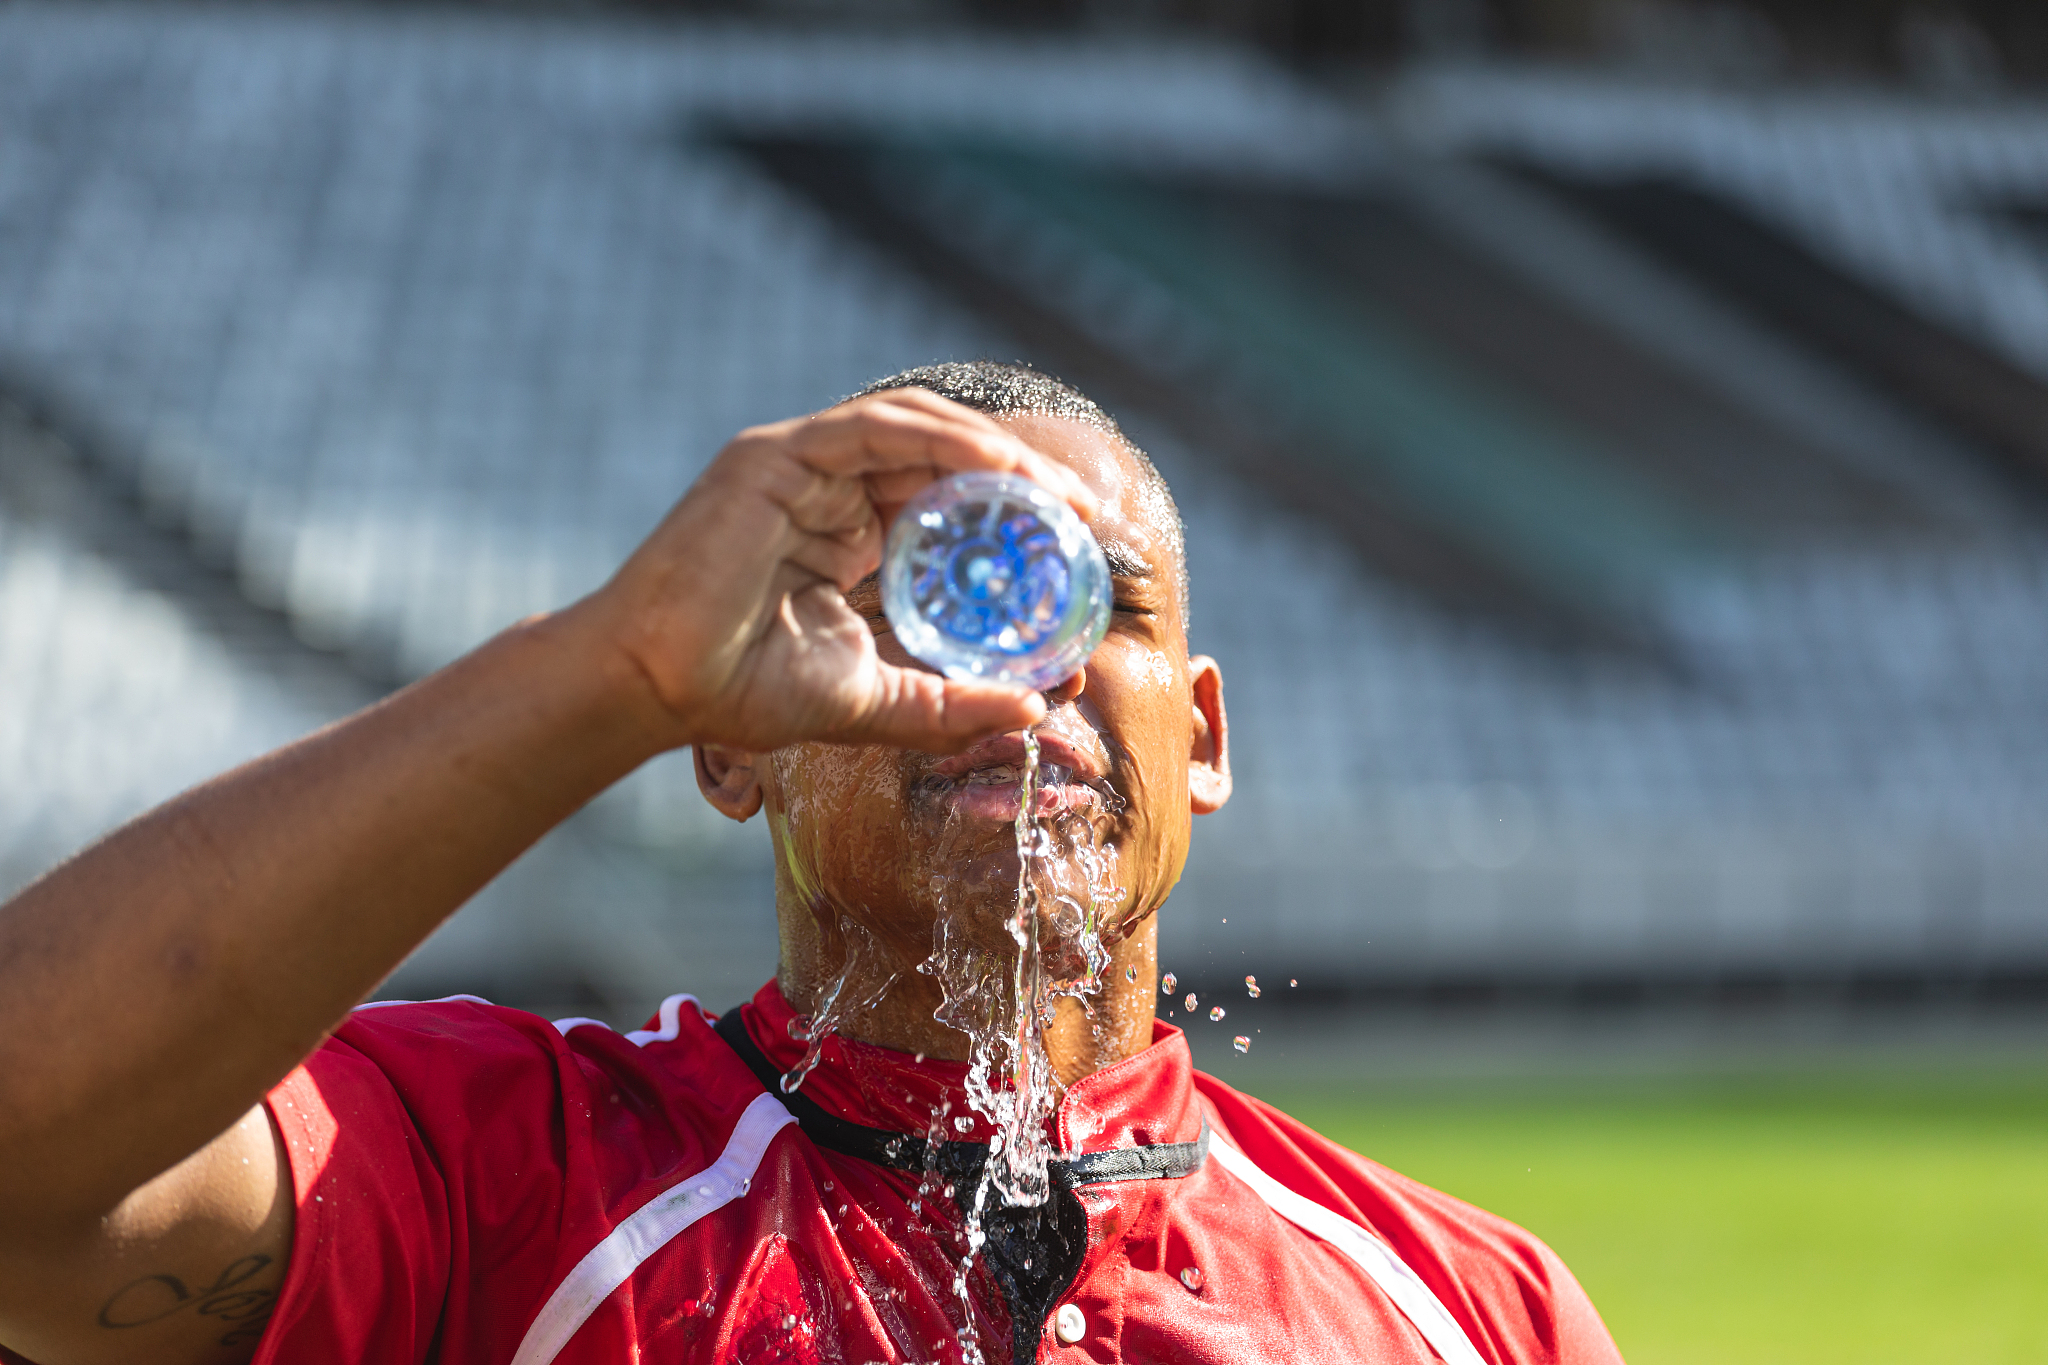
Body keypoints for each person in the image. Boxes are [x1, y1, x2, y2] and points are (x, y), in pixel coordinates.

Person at [0, 363, 1622, 1365]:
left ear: (1199, 735)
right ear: (732, 745)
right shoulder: (503, 1178)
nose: (1015, 668)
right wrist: (609, 672)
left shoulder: (1472, 1307)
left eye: (1095, 602)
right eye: (920, 602)